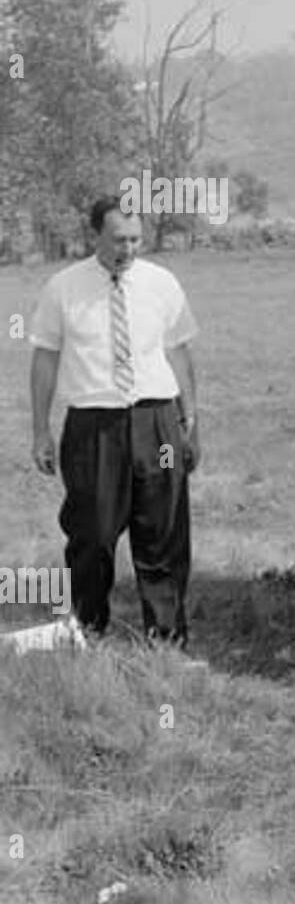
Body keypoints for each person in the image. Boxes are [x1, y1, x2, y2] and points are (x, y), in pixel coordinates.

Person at [29, 197, 200, 645]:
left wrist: (190, 420)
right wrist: (40, 429)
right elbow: (45, 358)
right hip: (93, 426)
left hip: (156, 421)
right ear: (94, 236)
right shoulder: (63, 288)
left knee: (162, 529)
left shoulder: (161, 283)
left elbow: (179, 352)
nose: (129, 248)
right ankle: (88, 628)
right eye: (118, 239)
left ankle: (165, 637)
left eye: (135, 239)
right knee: (93, 533)